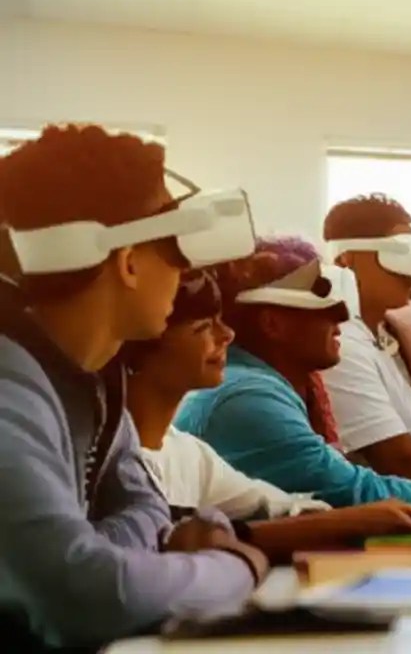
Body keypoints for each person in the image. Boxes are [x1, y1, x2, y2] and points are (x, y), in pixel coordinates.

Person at [0, 125, 267, 649]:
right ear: (128, 262)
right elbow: (94, 596)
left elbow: (148, 508)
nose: (182, 271)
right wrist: (237, 564)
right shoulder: (11, 390)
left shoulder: (93, 383)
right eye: (174, 249)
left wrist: (104, 546)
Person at [174, 237, 411, 522]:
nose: (342, 318)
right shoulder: (248, 397)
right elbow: (355, 491)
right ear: (273, 323)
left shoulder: (265, 385)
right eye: (325, 306)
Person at [121, 269, 411, 562]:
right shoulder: (112, 460)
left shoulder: (188, 454)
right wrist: (341, 521)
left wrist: (333, 520)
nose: (226, 335)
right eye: (203, 327)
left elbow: (277, 506)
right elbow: (160, 545)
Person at [321, 194, 411, 481]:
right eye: (402, 252)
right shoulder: (338, 343)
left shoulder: (386, 336)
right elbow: (401, 460)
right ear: (345, 259)